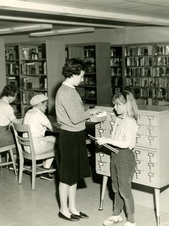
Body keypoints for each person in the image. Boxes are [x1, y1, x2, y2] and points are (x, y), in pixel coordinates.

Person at [55, 58, 100, 222]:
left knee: (73, 175)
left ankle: (72, 207)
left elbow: (76, 113)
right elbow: (75, 117)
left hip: (76, 134)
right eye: (81, 76)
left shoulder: (70, 89)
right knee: (66, 176)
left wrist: (86, 112)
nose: (82, 79)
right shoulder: (66, 92)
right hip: (69, 137)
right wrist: (92, 112)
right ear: (73, 74)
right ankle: (63, 209)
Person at [96, 91, 139, 226]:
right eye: (115, 105)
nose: (115, 108)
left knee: (124, 189)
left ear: (127, 106)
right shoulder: (119, 120)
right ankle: (116, 215)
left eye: (118, 105)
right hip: (115, 155)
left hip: (125, 156)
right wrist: (106, 141)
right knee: (115, 186)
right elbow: (115, 139)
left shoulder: (131, 122)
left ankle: (131, 221)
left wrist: (106, 140)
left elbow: (126, 143)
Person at [23, 94, 57, 181]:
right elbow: (52, 128)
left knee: (53, 138)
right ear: (40, 104)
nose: (46, 107)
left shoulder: (28, 113)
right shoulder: (40, 115)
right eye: (45, 104)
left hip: (27, 146)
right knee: (59, 144)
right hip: (36, 146)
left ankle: (45, 169)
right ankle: (46, 170)